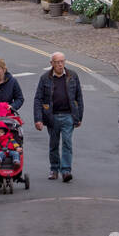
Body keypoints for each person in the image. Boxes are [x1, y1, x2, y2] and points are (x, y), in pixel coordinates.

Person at [33, 51, 84, 182]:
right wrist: (38, 119)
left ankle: (66, 171)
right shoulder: (45, 78)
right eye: (57, 62)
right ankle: (54, 169)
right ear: (52, 64)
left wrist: (79, 117)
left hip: (68, 116)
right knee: (54, 144)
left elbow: (79, 97)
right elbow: (38, 99)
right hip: (52, 116)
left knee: (67, 143)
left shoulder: (73, 76)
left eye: (62, 61)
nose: (60, 65)